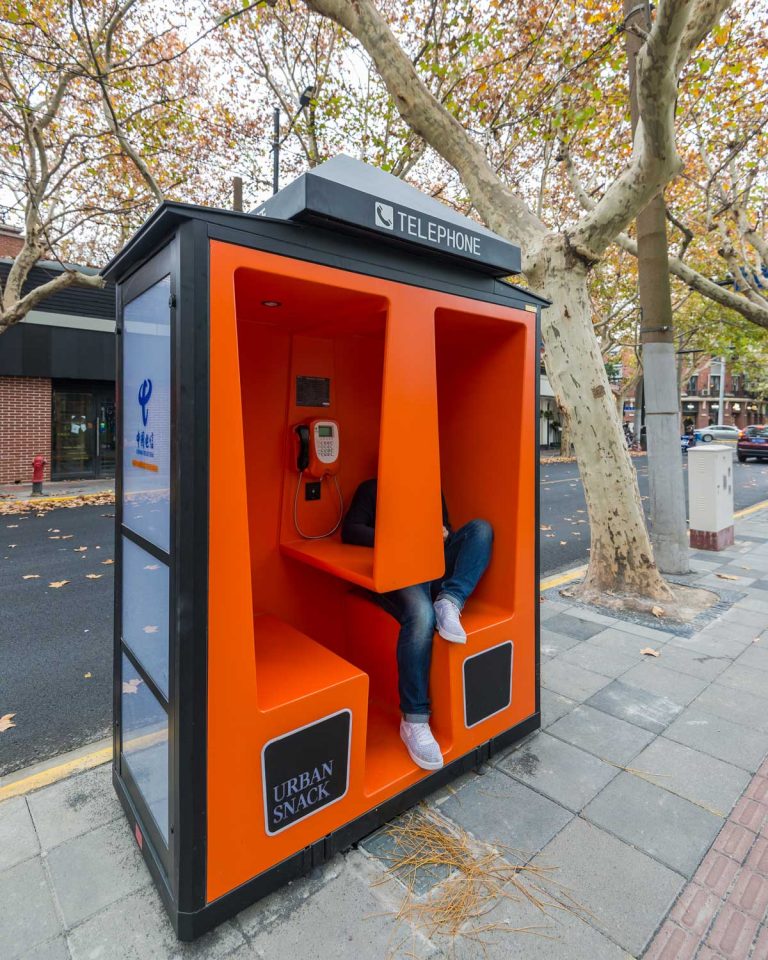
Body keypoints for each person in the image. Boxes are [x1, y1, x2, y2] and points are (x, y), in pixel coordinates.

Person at [342, 479, 493, 771]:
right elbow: (351, 531)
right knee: (422, 617)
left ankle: (450, 599)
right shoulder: (372, 489)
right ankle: (414, 720)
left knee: (481, 530)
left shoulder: (430, 486)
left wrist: (444, 533)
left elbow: (446, 530)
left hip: (432, 567)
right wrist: (401, 538)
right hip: (398, 572)